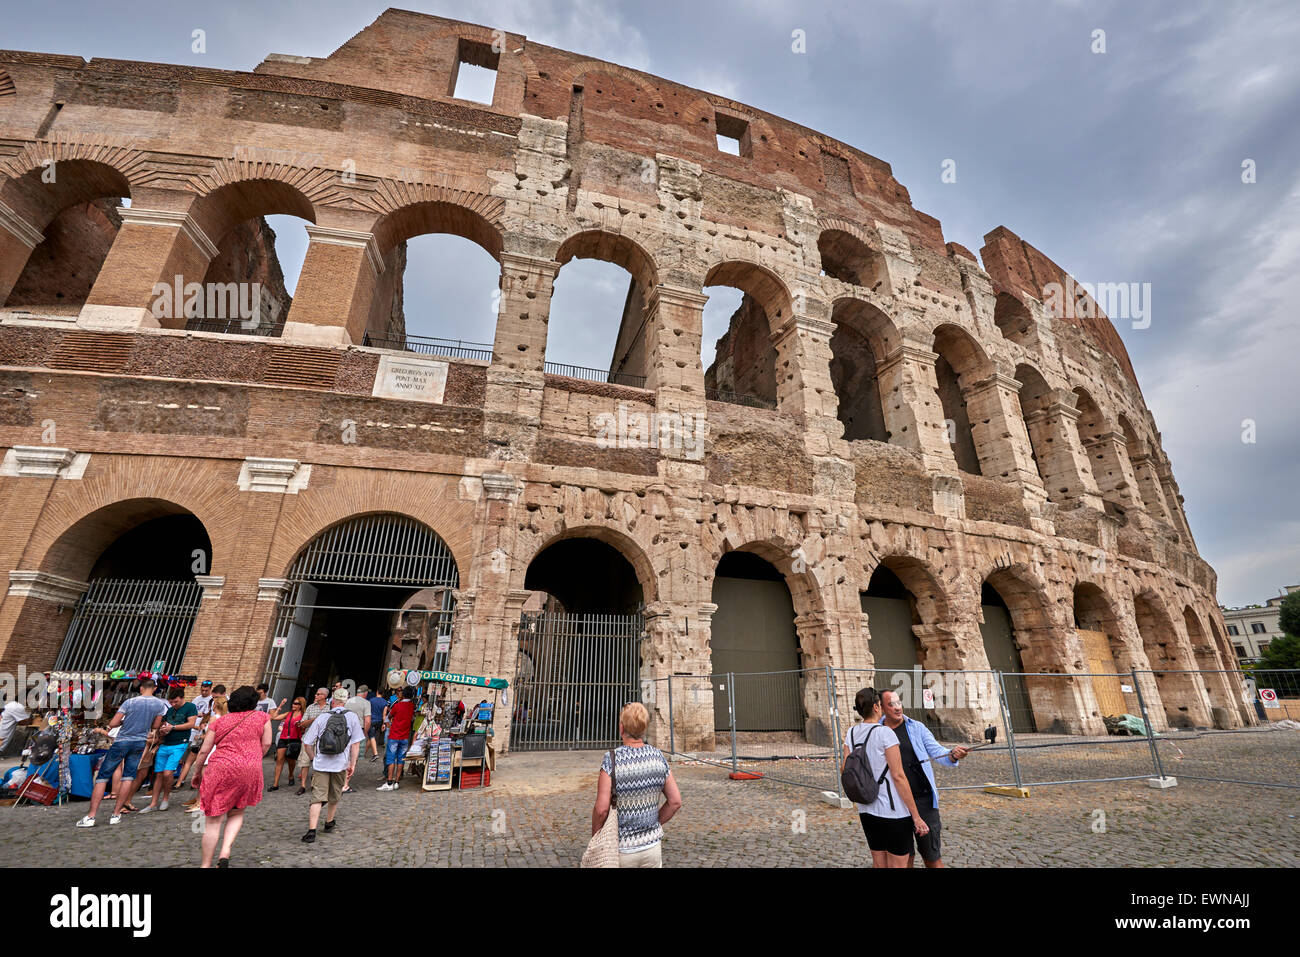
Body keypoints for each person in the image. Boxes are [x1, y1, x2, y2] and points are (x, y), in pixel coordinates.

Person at [878, 689, 968, 868]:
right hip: (894, 804)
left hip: (924, 801)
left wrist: (953, 755)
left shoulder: (916, 727)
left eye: (898, 703)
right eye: (891, 704)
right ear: (880, 708)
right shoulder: (877, 731)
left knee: (932, 858)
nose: (897, 708)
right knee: (903, 860)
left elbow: (937, 752)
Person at [842, 687, 929, 868]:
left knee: (879, 863)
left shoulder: (851, 733)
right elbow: (898, 776)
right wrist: (916, 816)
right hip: (892, 810)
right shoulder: (885, 733)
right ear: (876, 707)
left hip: (866, 809)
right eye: (881, 705)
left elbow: (845, 768)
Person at [590, 702, 682, 867]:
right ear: (644, 728)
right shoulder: (658, 757)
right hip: (652, 848)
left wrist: (596, 836)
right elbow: (675, 801)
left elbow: (601, 809)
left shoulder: (611, 760)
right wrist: (654, 823)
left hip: (622, 849)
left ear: (621, 728)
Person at [191, 685, 272, 867]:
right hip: (249, 768)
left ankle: (205, 864)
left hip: (221, 768)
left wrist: (196, 773)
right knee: (237, 812)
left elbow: (204, 752)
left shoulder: (219, 722)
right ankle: (225, 851)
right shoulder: (262, 717)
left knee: (213, 821)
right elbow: (266, 744)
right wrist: (253, 756)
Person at [76, 679, 168, 827]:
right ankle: (116, 814)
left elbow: (113, 723)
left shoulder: (130, 702)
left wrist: (124, 723)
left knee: (103, 777)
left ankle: (91, 816)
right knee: (129, 776)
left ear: (141, 689)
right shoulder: (159, 704)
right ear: (155, 688)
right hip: (139, 742)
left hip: (122, 740)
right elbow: (156, 725)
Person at [299, 687, 364, 843]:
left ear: (332, 701)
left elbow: (307, 742)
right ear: (346, 701)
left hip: (321, 764)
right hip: (340, 764)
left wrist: (314, 758)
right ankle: (329, 822)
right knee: (335, 794)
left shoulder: (322, 717)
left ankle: (311, 831)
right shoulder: (352, 717)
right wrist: (352, 764)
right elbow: (355, 744)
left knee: (317, 797)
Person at [139, 687, 198, 813]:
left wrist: (173, 727)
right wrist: (162, 729)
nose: (173, 704)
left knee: (167, 773)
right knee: (159, 773)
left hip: (179, 744)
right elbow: (163, 723)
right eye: (171, 702)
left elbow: (191, 724)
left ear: (182, 698)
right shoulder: (170, 710)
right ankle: (153, 803)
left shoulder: (190, 707)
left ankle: (165, 798)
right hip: (165, 743)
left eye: (176, 701)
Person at [176, 680, 216, 791]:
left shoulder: (212, 701)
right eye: (202, 690)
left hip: (203, 733)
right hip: (192, 732)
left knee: (198, 760)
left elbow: (209, 718)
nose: (203, 692)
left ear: (210, 689)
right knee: (185, 759)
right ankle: (181, 780)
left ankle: (188, 781)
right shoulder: (197, 699)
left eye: (206, 690)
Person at [377, 687, 415, 791]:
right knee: (401, 759)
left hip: (394, 735)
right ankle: (397, 782)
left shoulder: (398, 706)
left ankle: (389, 782)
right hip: (405, 736)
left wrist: (389, 725)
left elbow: (388, 717)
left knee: (391, 759)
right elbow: (412, 719)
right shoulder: (412, 706)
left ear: (403, 694)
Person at [295, 687, 329, 795]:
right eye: (316, 694)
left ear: (324, 696)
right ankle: (303, 785)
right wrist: (315, 720)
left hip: (322, 740)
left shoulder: (330, 708)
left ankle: (316, 784)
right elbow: (302, 723)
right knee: (305, 763)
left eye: (318, 694)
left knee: (319, 763)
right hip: (308, 739)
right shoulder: (310, 707)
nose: (316, 695)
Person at [268, 697, 304, 791]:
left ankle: (291, 775)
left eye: (296, 703)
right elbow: (273, 717)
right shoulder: (288, 713)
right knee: (279, 760)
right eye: (293, 703)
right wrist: (280, 706)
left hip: (294, 740)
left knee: (291, 761)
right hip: (283, 738)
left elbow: (305, 727)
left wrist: (301, 725)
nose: (293, 705)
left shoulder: (303, 715)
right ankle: (275, 784)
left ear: (301, 705)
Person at [342, 684, 371, 793]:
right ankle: (345, 783)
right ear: (366, 693)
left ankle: (339, 780)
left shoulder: (348, 701)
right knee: (354, 758)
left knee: (344, 754)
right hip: (358, 731)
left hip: (345, 730)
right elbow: (367, 721)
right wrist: (365, 733)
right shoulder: (366, 703)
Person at [366, 688, 388, 761]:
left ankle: (375, 754)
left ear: (377, 692)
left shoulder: (371, 700)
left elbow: (368, 711)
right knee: (371, 737)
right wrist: (384, 724)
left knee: (371, 736)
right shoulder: (385, 702)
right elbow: (384, 715)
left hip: (372, 720)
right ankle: (363, 753)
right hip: (379, 722)